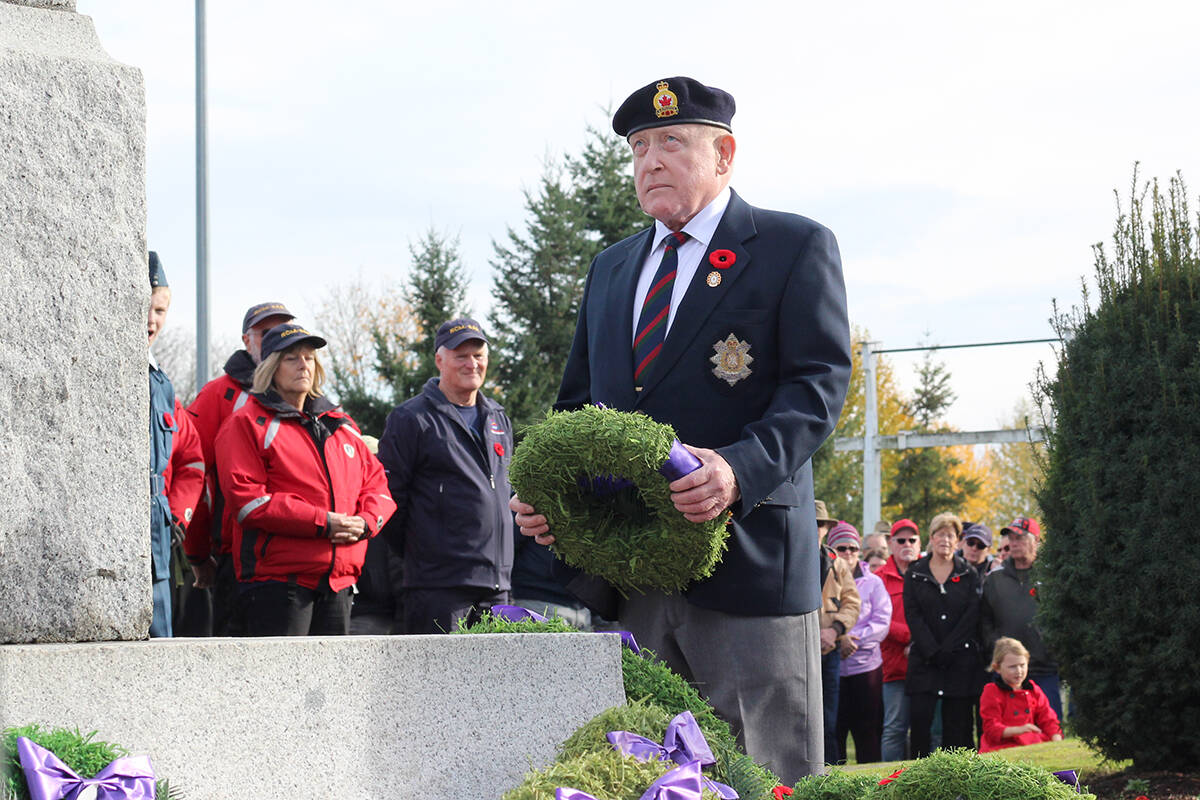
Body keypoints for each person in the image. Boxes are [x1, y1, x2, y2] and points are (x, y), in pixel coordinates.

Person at [511, 76, 852, 782]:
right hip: (633, 575)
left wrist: (738, 469)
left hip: (747, 567)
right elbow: (579, 408)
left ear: (724, 154)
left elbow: (817, 387)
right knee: (650, 771)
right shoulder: (612, 270)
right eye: (638, 147)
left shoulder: (792, 246)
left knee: (763, 773)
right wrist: (554, 500)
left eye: (671, 141)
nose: (650, 162)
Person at [215, 322, 395, 635]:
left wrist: (366, 522)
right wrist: (323, 522)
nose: (303, 365)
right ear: (271, 367)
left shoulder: (341, 425)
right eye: (291, 358)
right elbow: (248, 502)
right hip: (278, 587)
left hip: (340, 585)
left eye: (309, 358)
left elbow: (378, 487)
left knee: (333, 684)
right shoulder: (246, 423)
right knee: (279, 684)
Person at [377, 318, 515, 635]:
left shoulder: (498, 417)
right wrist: (427, 552)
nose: (472, 364)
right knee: (437, 683)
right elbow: (390, 503)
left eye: (478, 355)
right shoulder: (411, 418)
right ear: (439, 360)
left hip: (497, 586)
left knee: (496, 683)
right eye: (461, 356)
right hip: (439, 588)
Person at [184, 300, 296, 635]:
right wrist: (198, 554)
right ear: (246, 340)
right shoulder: (218, 396)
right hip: (237, 559)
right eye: (264, 333)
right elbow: (194, 474)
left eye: (282, 332)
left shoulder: (304, 398)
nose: (275, 340)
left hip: (299, 560)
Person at [145, 251, 204, 638]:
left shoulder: (162, 385)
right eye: (145, 308)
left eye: (160, 310)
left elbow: (191, 461)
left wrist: (177, 516)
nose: (152, 320)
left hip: (158, 534)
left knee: (159, 639)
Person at [903, 512, 982, 757]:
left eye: (951, 535)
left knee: (957, 731)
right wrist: (932, 650)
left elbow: (971, 615)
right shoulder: (915, 574)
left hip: (959, 663)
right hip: (924, 662)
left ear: (958, 540)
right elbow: (913, 615)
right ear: (931, 538)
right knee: (919, 729)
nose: (945, 540)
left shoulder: (968, 574)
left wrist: (949, 648)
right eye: (940, 534)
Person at [982, 516, 1063, 719]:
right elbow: (984, 620)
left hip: (1044, 669)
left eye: (1021, 537)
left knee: (1049, 732)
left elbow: (1062, 617)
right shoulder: (994, 579)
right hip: (1006, 673)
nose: (1014, 543)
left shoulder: (1051, 576)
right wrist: (996, 646)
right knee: (1008, 735)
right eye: (1011, 538)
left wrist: (1051, 647)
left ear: (1036, 541)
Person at [830, 522, 892, 764]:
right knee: (835, 731)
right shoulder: (822, 580)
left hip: (866, 668)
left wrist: (854, 639)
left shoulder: (874, 583)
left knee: (868, 731)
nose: (848, 554)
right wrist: (839, 637)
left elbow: (882, 620)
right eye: (841, 548)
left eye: (853, 548)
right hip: (832, 666)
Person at [818, 511, 861, 764]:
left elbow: (852, 603)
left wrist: (834, 631)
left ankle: (830, 775)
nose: (816, 529)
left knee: (828, 720)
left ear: (827, 529)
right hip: (794, 650)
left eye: (821, 524)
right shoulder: (787, 553)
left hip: (829, 651)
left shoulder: (838, 563)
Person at [877, 518, 919, 760]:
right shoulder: (880, 577)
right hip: (894, 665)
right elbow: (877, 617)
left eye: (911, 540)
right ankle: (888, 782)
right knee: (895, 729)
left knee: (928, 728)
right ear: (891, 544)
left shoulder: (927, 572)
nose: (906, 544)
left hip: (925, 661)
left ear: (919, 542)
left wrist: (919, 642)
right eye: (900, 540)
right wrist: (910, 637)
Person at [979, 637, 1062, 752]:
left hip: (1032, 743)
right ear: (997, 668)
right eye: (1012, 667)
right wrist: (1020, 730)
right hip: (1001, 746)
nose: (1019, 671)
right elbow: (991, 729)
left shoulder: (1033, 689)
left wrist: (1056, 739)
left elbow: (1048, 718)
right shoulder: (992, 692)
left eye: (1022, 665)